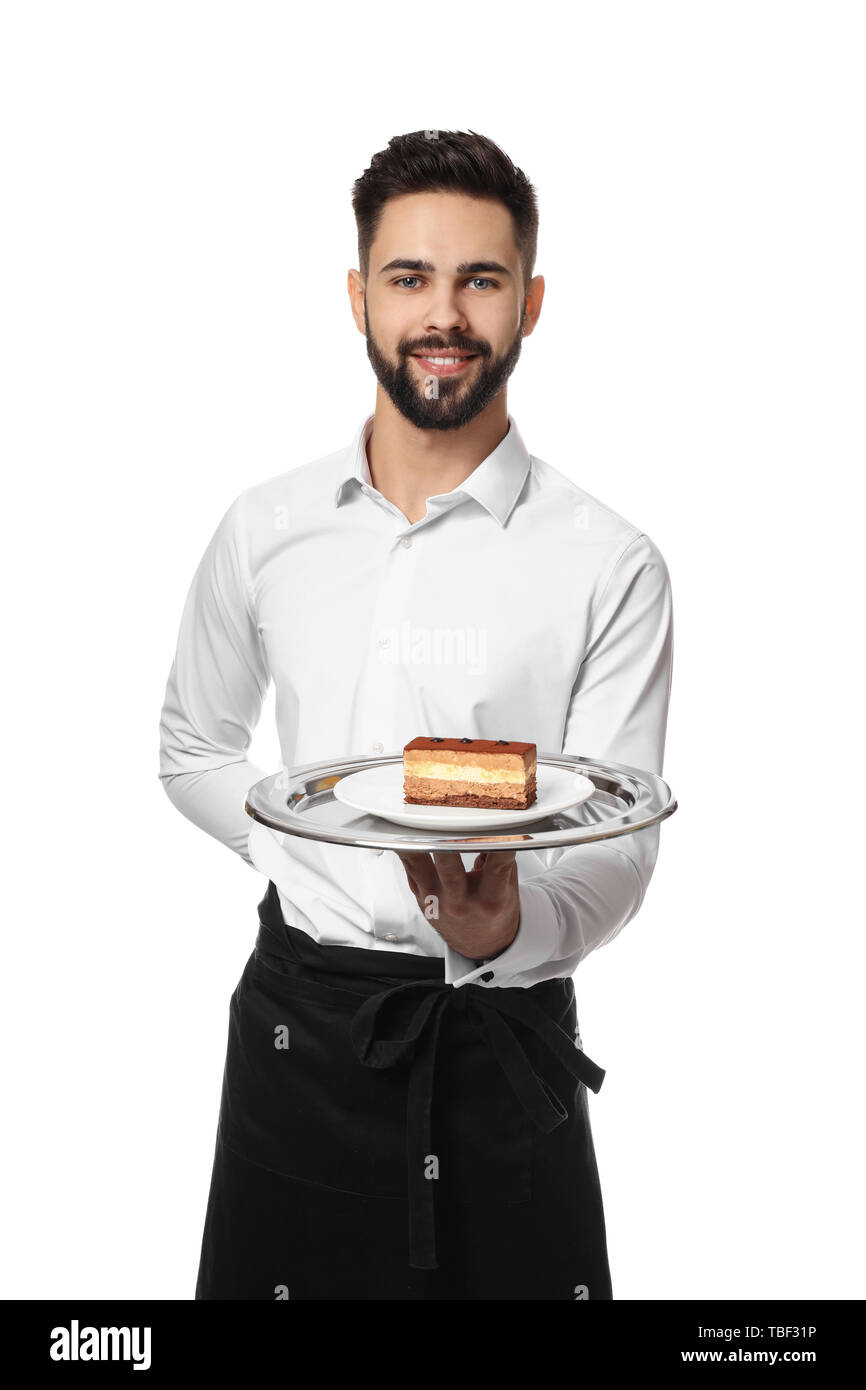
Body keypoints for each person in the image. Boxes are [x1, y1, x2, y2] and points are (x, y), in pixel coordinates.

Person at [158, 128, 674, 1301]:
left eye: (479, 280)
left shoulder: (611, 562)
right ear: (357, 297)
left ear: (530, 302)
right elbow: (193, 747)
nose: (443, 313)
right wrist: (295, 841)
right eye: (409, 278)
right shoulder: (264, 527)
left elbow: (623, 841)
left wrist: (500, 929)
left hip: (500, 1044)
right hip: (298, 1036)